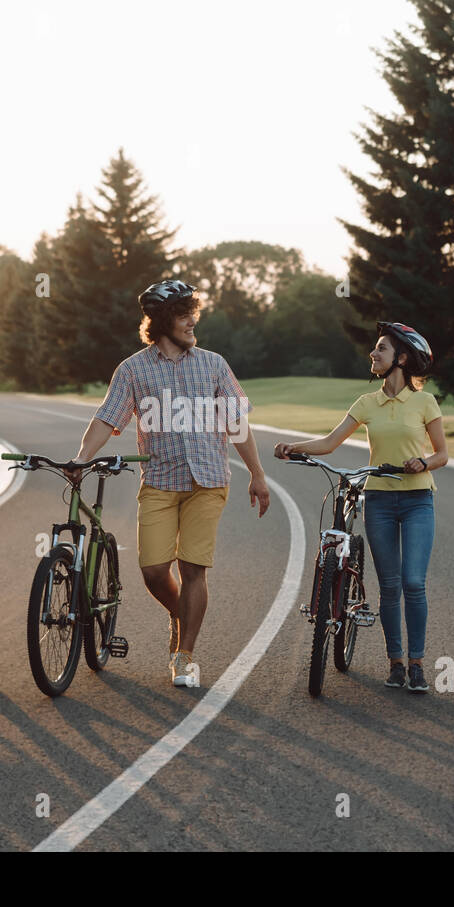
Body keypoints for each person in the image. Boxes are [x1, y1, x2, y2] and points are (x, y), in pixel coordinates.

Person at [72, 279, 270, 687]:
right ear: (162, 321)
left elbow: (236, 422)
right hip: (160, 480)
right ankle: (179, 614)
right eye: (183, 316)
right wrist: (80, 459)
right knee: (153, 570)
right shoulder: (133, 369)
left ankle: (184, 655)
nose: (192, 322)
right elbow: (107, 418)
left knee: (193, 567)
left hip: (208, 481)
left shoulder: (213, 364)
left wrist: (258, 474)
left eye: (192, 314)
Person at [274, 322, 447, 694]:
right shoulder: (367, 402)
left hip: (418, 499)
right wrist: (294, 446)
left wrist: (424, 463)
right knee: (389, 587)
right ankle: (396, 663)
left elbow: (443, 454)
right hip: (380, 500)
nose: (373, 353)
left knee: (413, 583)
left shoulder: (425, 402)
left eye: (381, 349)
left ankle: (417, 664)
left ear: (400, 358)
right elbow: (331, 442)